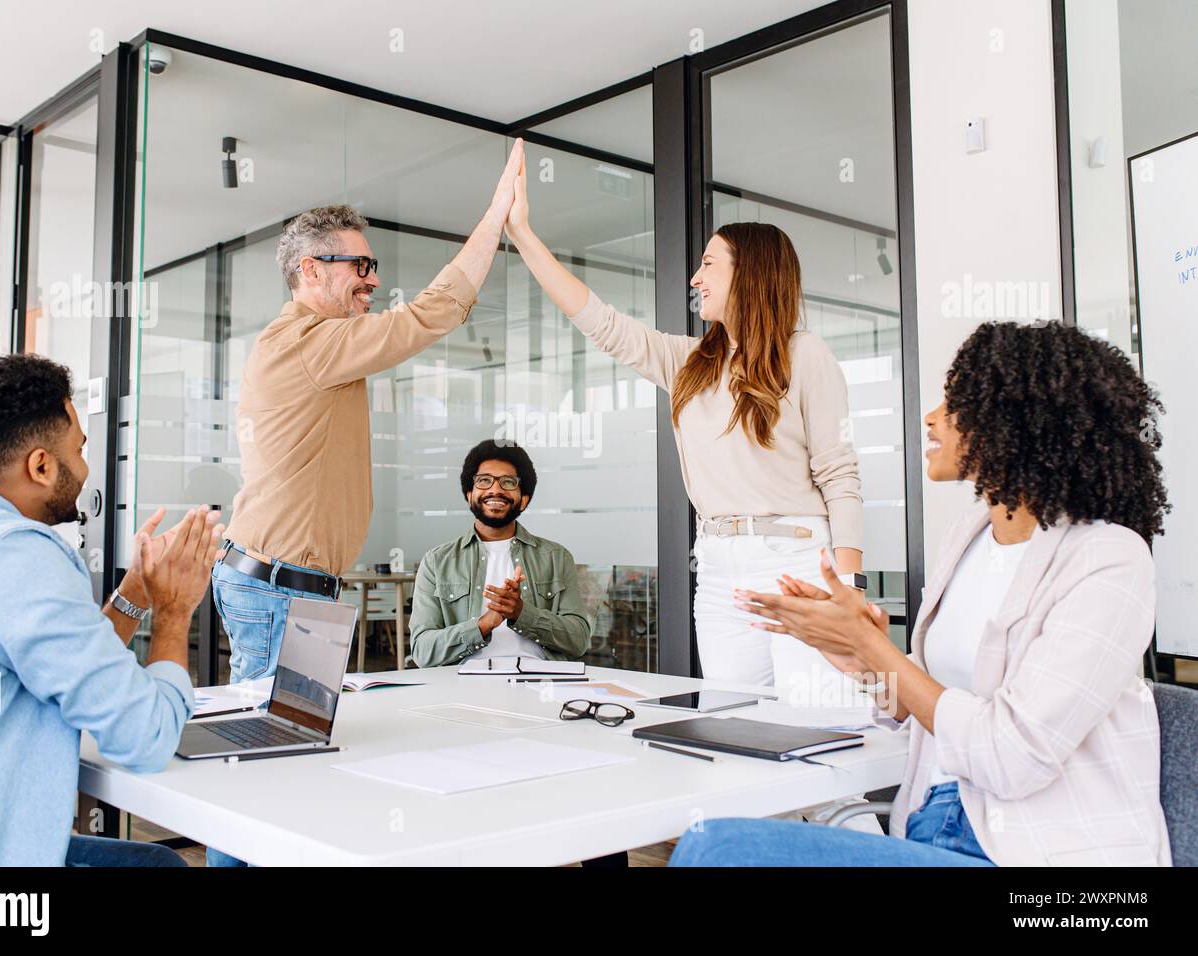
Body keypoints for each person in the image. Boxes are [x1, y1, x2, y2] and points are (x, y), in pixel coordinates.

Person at [671, 320, 1172, 866]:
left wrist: (875, 651)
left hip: (1035, 857)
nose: (933, 416)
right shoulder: (971, 537)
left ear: (1022, 421)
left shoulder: (1108, 558)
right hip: (930, 826)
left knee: (719, 848)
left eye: (959, 402)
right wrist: (856, 656)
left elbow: (1011, 756)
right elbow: (915, 708)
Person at [207, 142, 524, 867]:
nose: (373, 280)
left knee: (286, 767)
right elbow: (432, 314)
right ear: (309, 270)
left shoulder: (322, 343)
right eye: (361, 266)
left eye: (373, 266)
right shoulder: (309, 341)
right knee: (266, 772)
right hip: (278, 589)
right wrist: (495, 219)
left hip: (300, 587)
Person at [503, 153, 863, 694]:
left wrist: (849, 585)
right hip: (719, 568)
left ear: (751, 272)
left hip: (797, 562)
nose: (695, 277)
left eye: (709, 264)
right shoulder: (690, 363)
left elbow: (839, 474)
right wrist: (523, 235)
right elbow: (599, 322)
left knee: (818, 721)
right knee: (735, 721)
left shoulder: (806, 356)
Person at [0, 354, 223, 866]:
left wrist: (137, 590)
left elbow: (73, 664)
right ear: (42, 465)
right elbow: (147, 738)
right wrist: (175, 611)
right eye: (80, 449)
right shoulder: (16, 555)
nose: (87, 467)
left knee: (153, 863)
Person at [408, 439, 591, 668]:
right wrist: (483, 625)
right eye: (484, 481)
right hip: (461, 685)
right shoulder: (437, 562)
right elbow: (422, 651)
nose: (495, 489)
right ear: (469, 494)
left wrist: (522, 614)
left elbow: (579, 640)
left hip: (542, 682)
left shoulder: (556, 557)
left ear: (523, 499)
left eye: (508, 482)